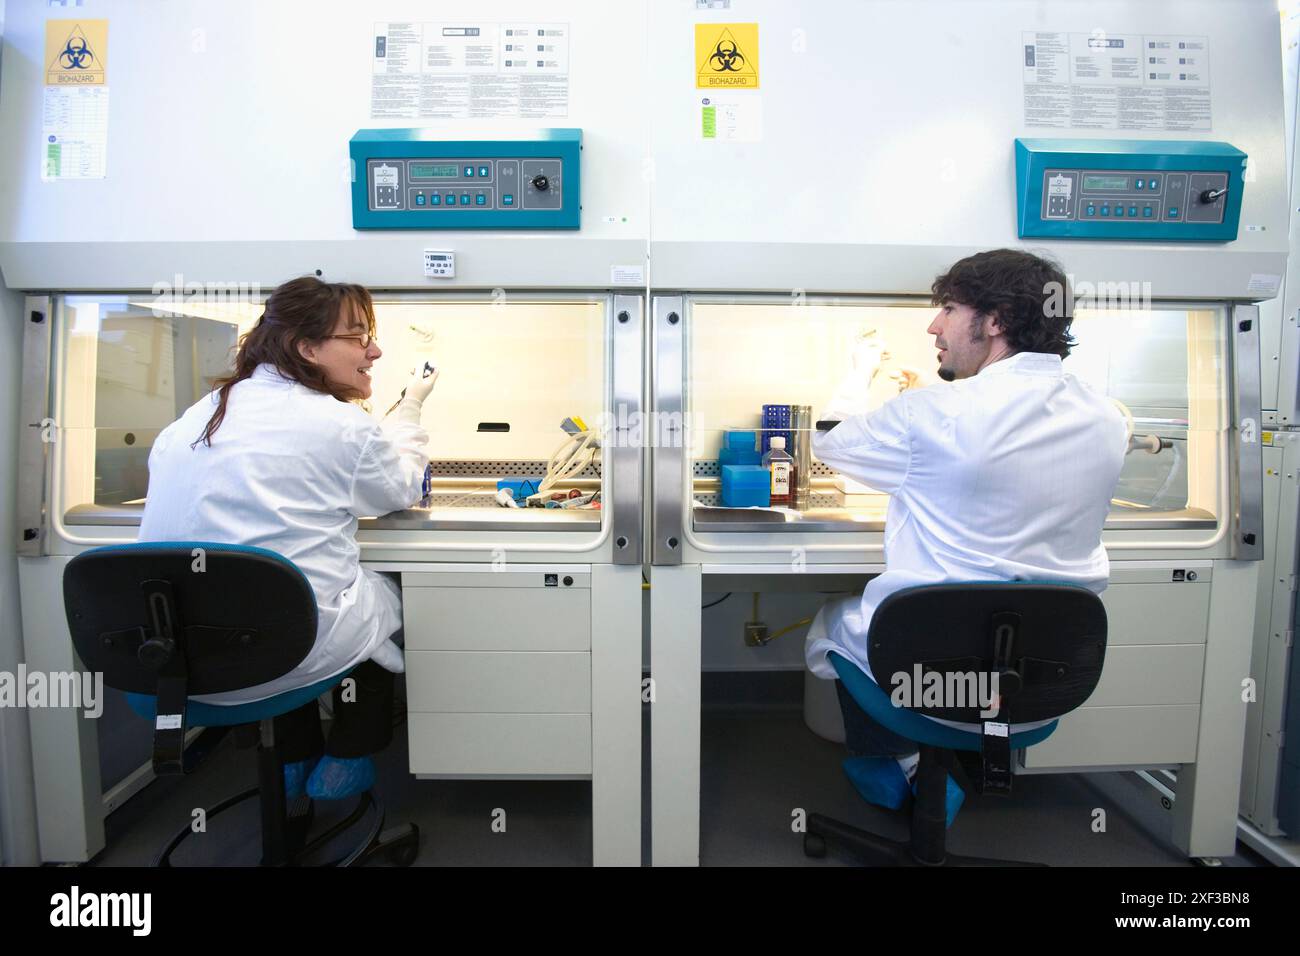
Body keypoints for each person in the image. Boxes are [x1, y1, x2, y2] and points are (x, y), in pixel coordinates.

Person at [805, 248, 1128, 819]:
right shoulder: (1106, 417)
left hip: (931, 685)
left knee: (833, 617)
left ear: (996, 319)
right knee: (932, 631)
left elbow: (830, 441)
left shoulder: (934, 411)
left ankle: (892, 759)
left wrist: (860, 370)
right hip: (1044, 684)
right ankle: (936, 768)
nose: (935, 325)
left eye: (949, 309)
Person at [139, 276, 434, 800]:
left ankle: (291, 760)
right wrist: (410, 407)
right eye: (359, 336)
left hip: (176, 664)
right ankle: (349, 754)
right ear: (307, 347)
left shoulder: (193, 418)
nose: (375, 350)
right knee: (383, 590)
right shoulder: (340, 425)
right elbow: (399, 489)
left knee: (273, 613)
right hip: (282, 653)